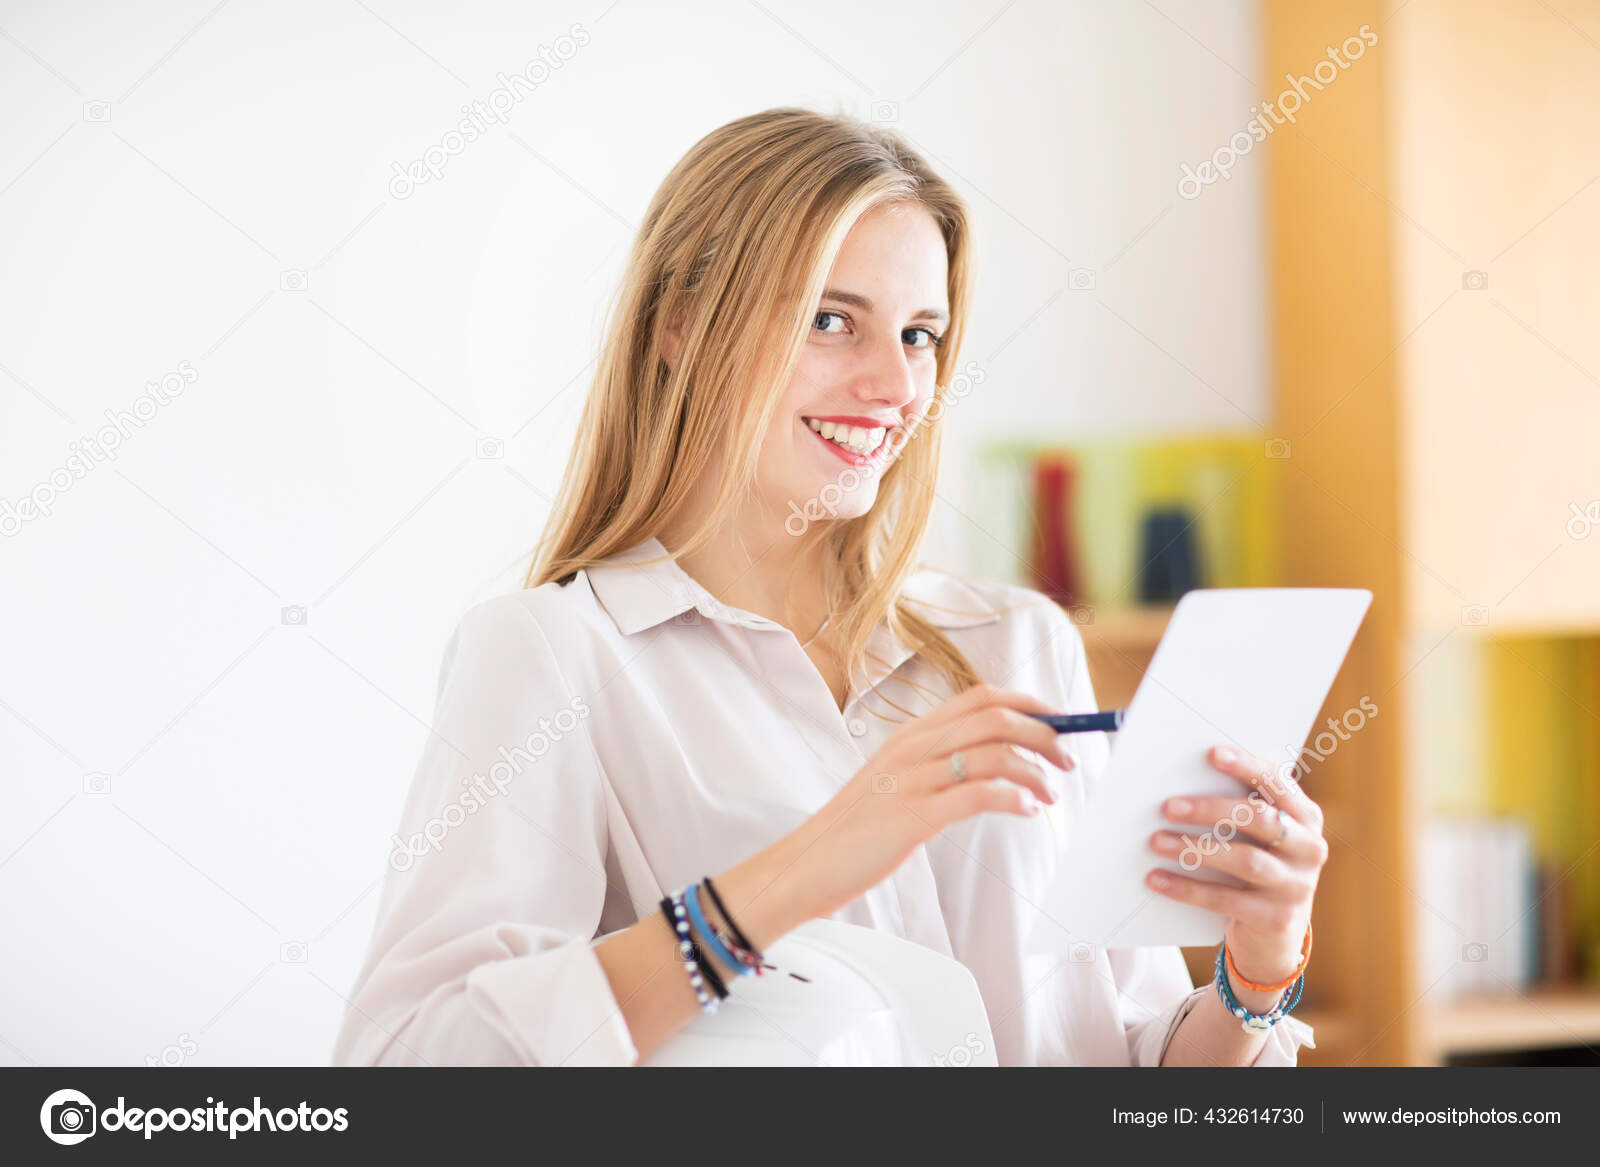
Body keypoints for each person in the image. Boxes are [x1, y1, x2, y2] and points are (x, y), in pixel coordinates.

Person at [331, 107, 1323, 1067]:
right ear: (680, 325)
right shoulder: (557, 656)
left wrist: (1257, 967)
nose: (892, 387)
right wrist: (810, 863)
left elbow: (1133, 1066)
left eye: (919, 335)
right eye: (830, 320)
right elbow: (410, 1063)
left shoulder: (1018, 644)